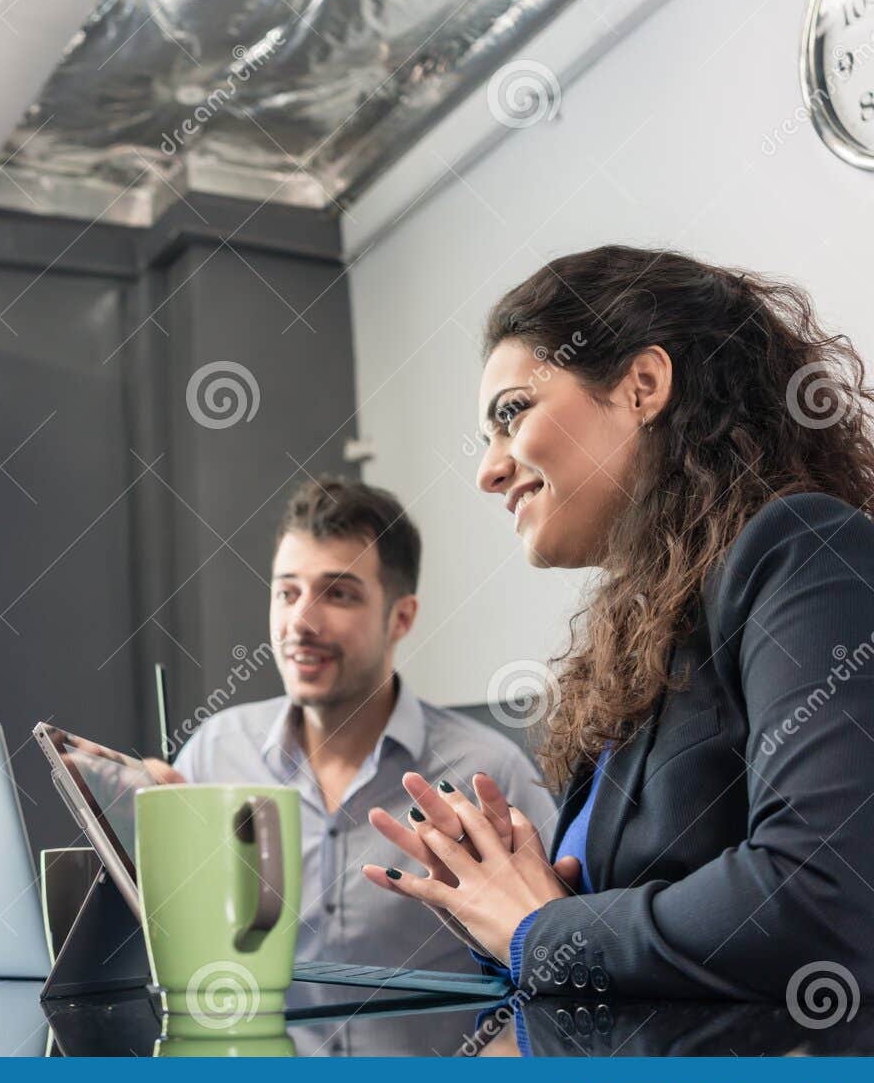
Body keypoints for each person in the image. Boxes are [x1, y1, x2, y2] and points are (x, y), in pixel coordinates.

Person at [363, 245, 874, 1001]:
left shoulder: (802, 549)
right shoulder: (646, 635)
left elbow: (824, 889)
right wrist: (501, 900)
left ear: (642, 386)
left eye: (512, 414)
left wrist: (544, 930)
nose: (488, 469)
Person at [170, 477, 554, 972]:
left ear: (401, 618)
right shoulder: (213, 754)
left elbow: (558, 957)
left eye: (339, 595)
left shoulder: (490, 773)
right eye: (287, 593)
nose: (301, 623)